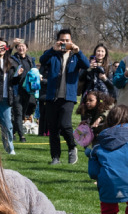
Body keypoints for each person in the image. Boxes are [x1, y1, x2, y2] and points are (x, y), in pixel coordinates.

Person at [38, 29, 90, 166]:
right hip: (52, 97)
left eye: (67, 40)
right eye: (62, 40)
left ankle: (72, 147)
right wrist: (52, 49)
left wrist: (78, 52)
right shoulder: (53, 55)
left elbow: (87, 65)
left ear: (71, 41)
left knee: (65, 124)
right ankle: (55, 157)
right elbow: (42, 60)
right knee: (53, 128)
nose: (65, 43)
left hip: (68, 97)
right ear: (58, 41)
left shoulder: (75, 57)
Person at [9, 39, 35, 141]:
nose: (21, 47)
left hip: (27, 91)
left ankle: (12, 131)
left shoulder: (30, 60)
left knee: (23, 114)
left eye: (23, 46)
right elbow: (11, 77)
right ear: (16, 48)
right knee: (18, 113)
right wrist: (17, 74)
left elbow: (34, 72)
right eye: (19, 46)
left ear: (27, 48)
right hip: (16, 91)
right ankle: (22, 136)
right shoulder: (12, 59)